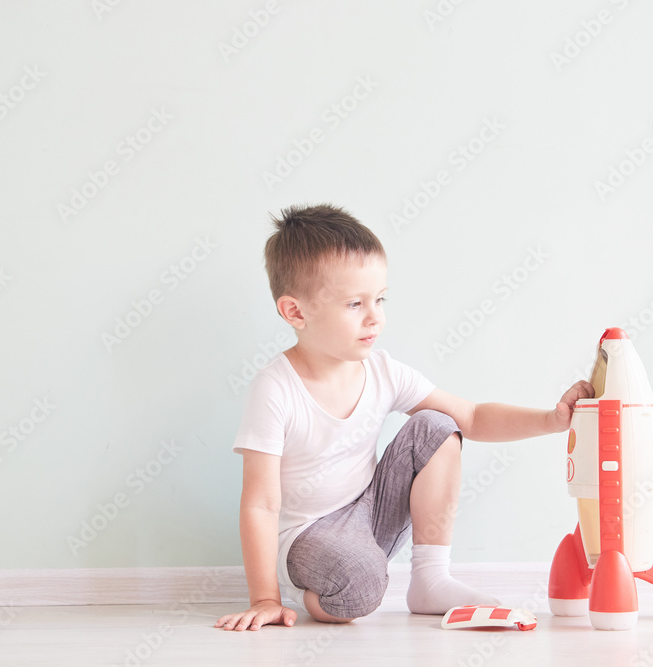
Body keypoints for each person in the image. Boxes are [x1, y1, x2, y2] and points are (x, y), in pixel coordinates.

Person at [215, 203, 592, 632]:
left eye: (379, 299)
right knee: (360, 587)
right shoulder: (275, 388)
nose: (375, 316)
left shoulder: (383, 371)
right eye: (354, 303)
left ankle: (430, 578)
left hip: (371, 511)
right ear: (296, 312)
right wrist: (265, 598)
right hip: (308, 535)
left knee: (436, 425)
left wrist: (551, 419)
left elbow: (469, 416)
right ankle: (323, 590)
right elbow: (261, 504)